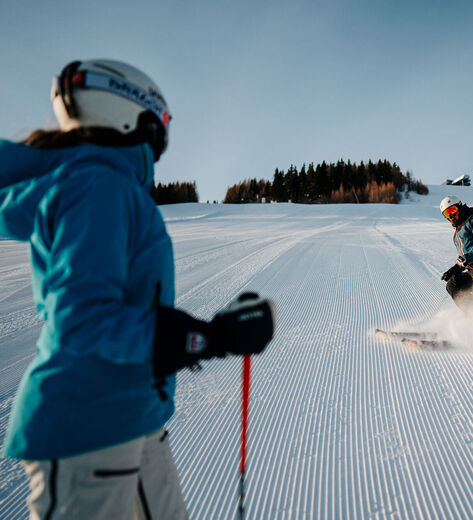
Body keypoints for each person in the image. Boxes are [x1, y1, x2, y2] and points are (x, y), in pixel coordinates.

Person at [0, 59, 275, 520]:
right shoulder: (97, 184)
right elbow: (81, 322)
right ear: (126, 110)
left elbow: (127, 304)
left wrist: (214, 331)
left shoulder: (105, 184)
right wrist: (209, 337)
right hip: (87, 427)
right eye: (160, 122)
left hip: (134, 415)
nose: (161, 138)